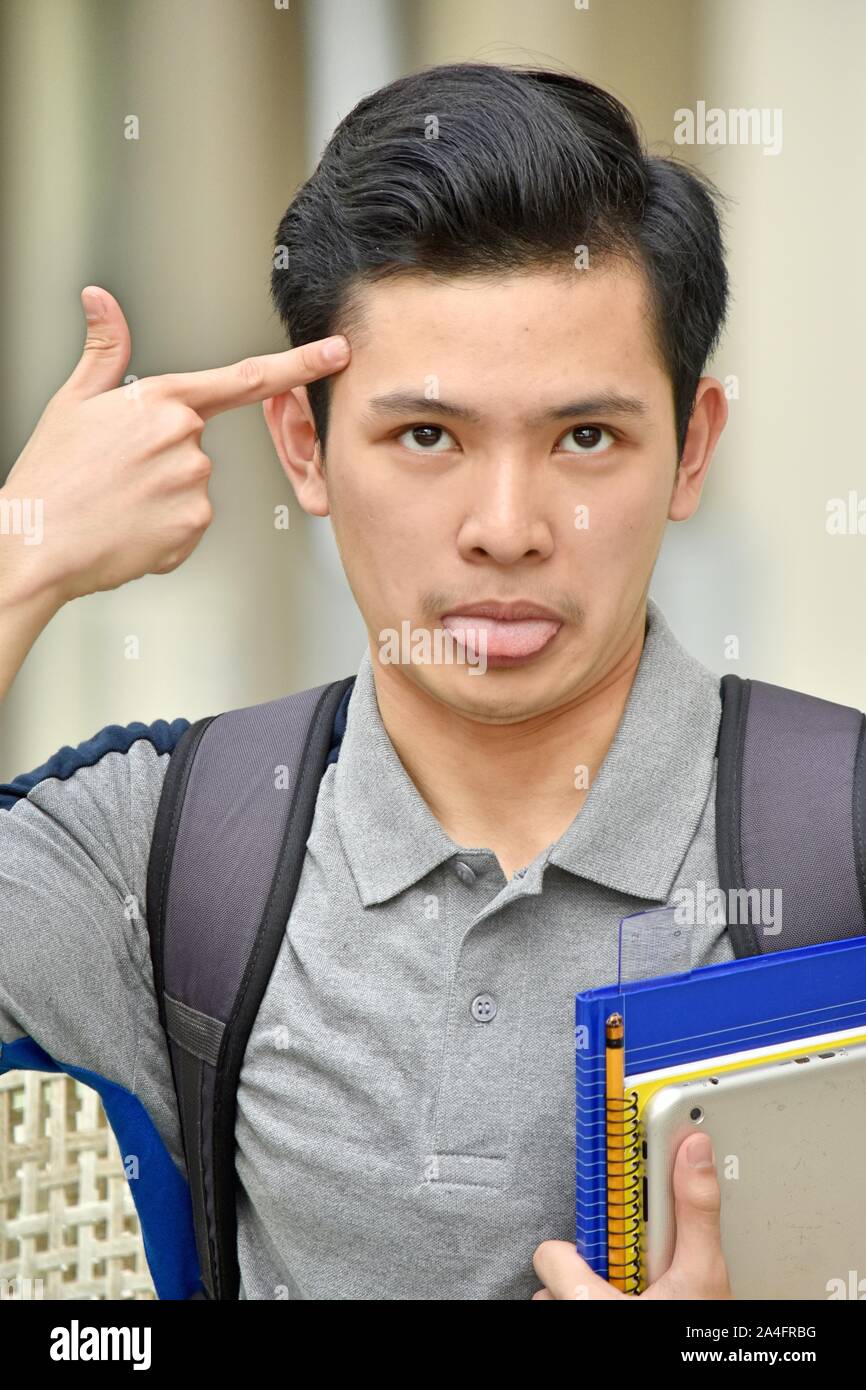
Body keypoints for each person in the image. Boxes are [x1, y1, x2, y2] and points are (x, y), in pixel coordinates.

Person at [0, 61, 734, 1300]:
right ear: (306, 445)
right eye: (427, 436)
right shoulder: (171, 848)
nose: (506, 528)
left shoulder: (838, 834)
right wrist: (23, 551)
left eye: (585, 437)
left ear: (689, 447)